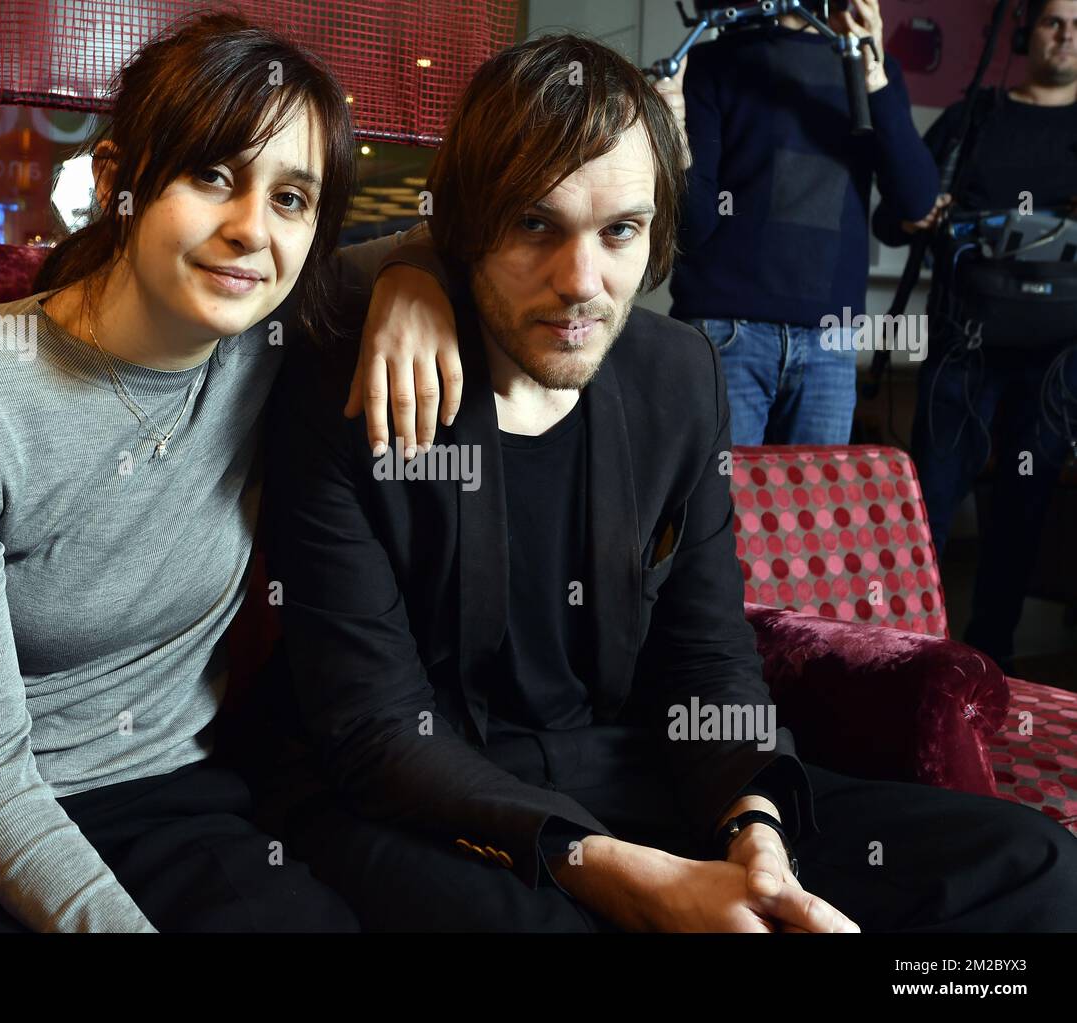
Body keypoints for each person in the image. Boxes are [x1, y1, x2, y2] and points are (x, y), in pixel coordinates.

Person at [251, 32, 1077, 933]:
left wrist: (753, 829)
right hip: (422, 796)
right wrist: (631, 880)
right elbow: (376, 734)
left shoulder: (677, 377)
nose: (583, 282)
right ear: (464, 226)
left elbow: (710, 655)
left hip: (630, 767)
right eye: (535, 224)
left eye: (621, 231)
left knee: (1037, 866)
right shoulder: (345, 387)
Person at [0, 12, 459, 934]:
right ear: (117, 183)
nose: (249, 231)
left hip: (167, 804)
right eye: (210, 174)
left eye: (292, 199)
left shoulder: (272, 334)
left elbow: (468, 238)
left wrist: (409, 284)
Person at [875, 0, 1077, 673]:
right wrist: (918, 216)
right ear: (1026, 32)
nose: (1067, 34)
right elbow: (896, 214)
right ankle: (906, 664)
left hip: (1053, 366)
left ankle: (989, 672)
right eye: (1054, 20)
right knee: (927, 508)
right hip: (963, 353)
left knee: (1021, 518)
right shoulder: (972, 119)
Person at [672, 0, 939, 445]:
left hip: (830, 340)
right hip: (726, 330)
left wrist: (873, 72)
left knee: (813, 512)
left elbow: (915, 202)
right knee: (717, 509)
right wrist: (675, 139)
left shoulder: (869, 66)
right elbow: (690, 226)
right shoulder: (716, 60)